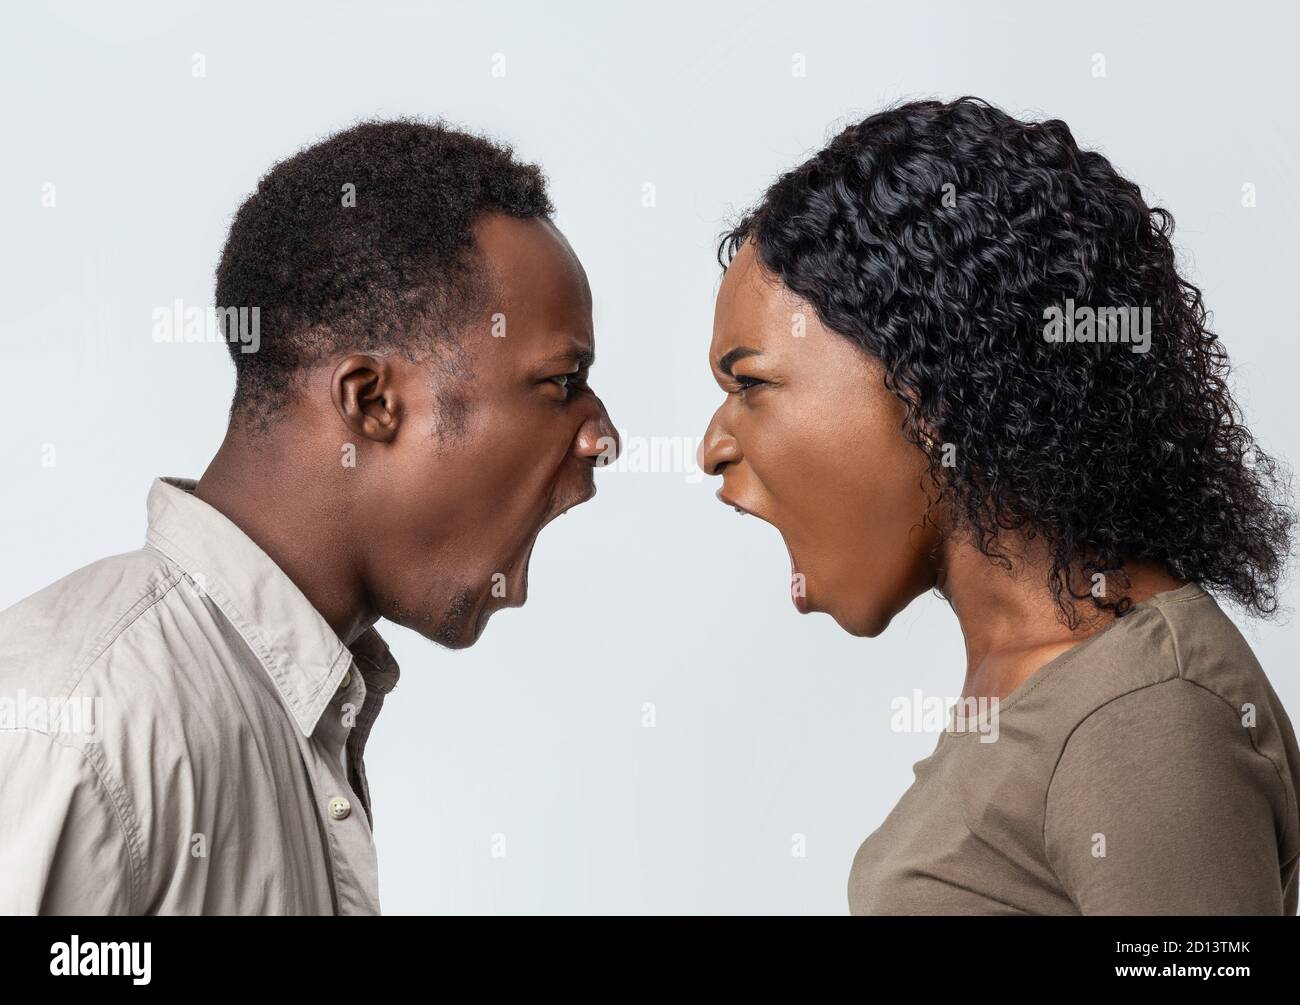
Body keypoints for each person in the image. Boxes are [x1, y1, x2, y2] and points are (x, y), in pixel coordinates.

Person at [0, 120, 618, 914]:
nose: (603, 436)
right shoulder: (80, 729)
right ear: (371, 402)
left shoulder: (288, 703)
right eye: (562, 381)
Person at [702, 97, 1300, 914]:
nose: (713, 446)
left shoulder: (1142, 717)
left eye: (751, 384)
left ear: (928, 382)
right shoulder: (1048, 675)